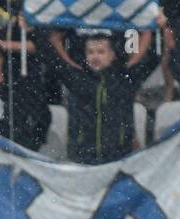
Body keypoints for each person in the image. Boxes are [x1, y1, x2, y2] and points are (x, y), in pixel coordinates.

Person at [56, 33, 160, 165]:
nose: (95, 57)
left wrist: (158, 29)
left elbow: (154, 56)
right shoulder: (77, 80)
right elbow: (52, 58)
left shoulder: (125, 80)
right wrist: (34, 29)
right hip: (83, 158)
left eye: (101, 52)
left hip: (119, 158)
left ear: (112, 55)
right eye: (90, 52)